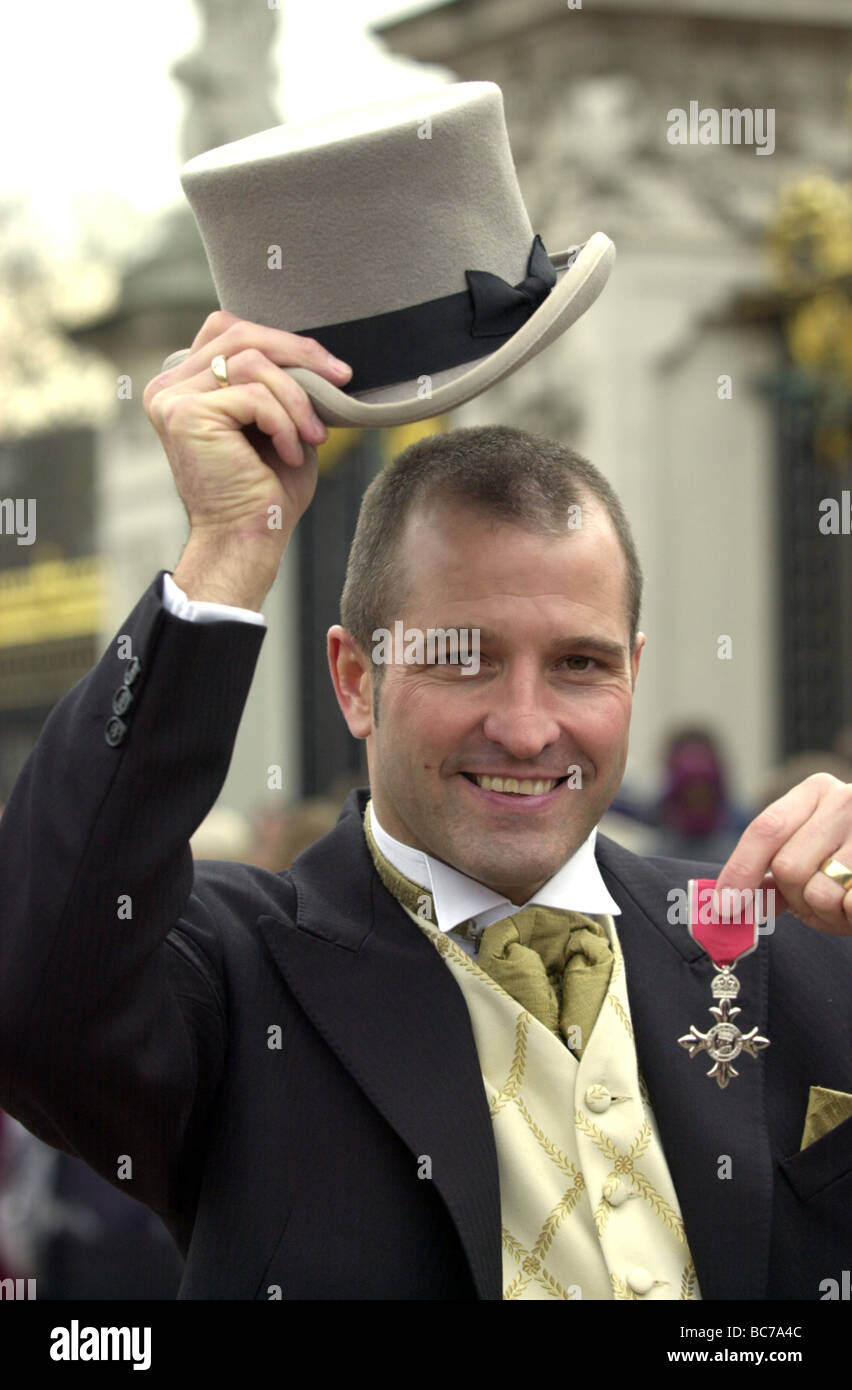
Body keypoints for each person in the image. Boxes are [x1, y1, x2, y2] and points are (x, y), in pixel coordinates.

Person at [0, 312, 850, 1301]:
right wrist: (226, 547)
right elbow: (37, 985)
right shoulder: (239, 982)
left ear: (636, 671)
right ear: (355, 681)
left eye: (580, 664)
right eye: (463, 659)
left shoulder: (791, 941)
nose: (527, 729)